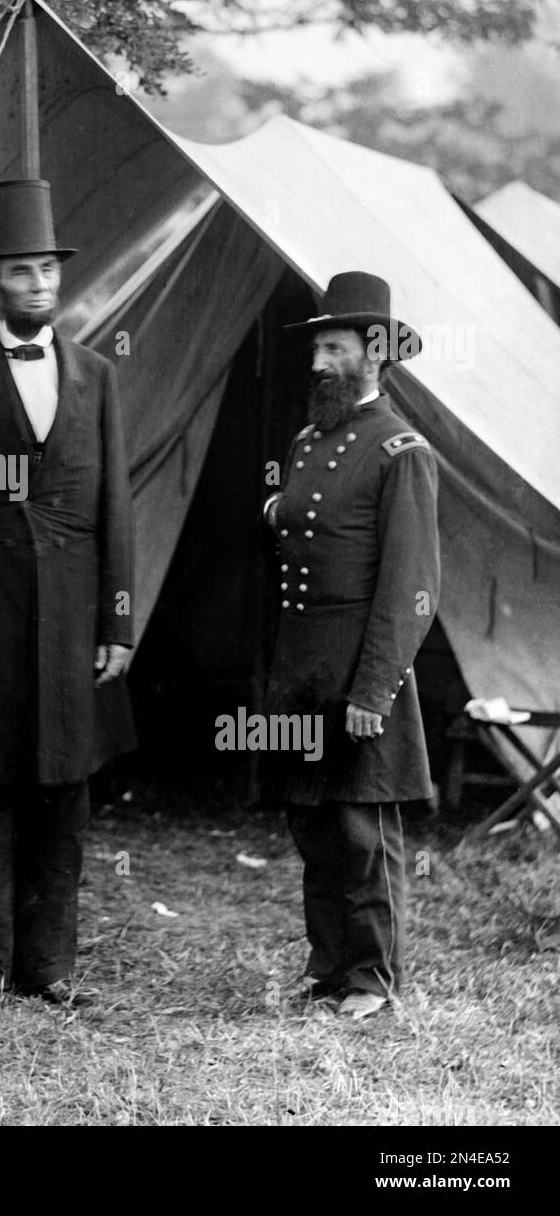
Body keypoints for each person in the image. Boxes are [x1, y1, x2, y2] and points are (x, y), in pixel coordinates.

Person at [0, 179, 136, 1020]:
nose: (40, 284)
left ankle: (50, 967)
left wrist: (116, 619)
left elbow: (116, 503)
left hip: (78, 611)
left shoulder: (97, 376)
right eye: (21, 271)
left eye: (48, 269)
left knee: (65, 799)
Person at [264, 271, 440, 1021]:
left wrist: (373, 690)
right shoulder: (307, 440)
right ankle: (329, 965)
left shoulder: (402, 451)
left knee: (362, 825)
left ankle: (373, 977)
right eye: (315, 348)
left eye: (332, 348)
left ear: (374, 352)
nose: (316, 363)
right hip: (301, 666)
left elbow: (411, 587)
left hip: (360, 666)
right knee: (310, 820)